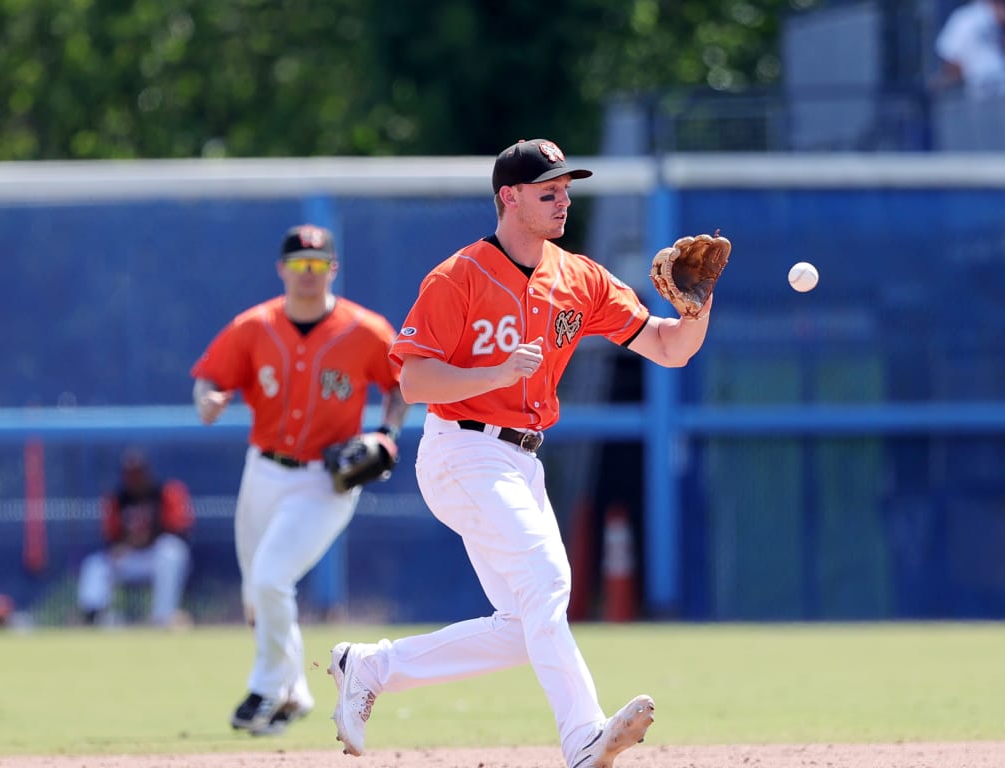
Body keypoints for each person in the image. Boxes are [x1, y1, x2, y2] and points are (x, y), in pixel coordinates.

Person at [326, 138, 717, 768]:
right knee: (549, 582)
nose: (563, 200)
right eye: (548, 190)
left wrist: (695, 309)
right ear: (509, 197)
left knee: (525, 625)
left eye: (566, 188)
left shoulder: (579, 276)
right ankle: (582, 736)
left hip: (520, 464)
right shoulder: (459, 277)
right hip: (462, 451)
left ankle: (369, 667)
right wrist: (496, 373)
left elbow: (672, 348)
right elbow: (414, 381)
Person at [190, 223, 407, 737]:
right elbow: (208, 378)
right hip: (263, 470)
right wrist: (208, 401)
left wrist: (385, 434)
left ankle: (266, 689)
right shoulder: (254, 326)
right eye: (298, 265)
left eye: (317, 265)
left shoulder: (365, 329)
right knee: (256, 595)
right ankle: (297, 689)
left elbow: (402, 383)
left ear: (332, 269)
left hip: (325, 480)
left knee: (270, 578)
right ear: (282, 270)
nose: (307, 275)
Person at [76, 449, 194, 628]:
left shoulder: (164, 493)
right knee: (96, 564)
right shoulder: (118, 499)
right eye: (131, 473)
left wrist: (149, 538)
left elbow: (180, 531)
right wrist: (119, 546)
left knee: (172, 551)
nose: (135, 477)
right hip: (130, 558)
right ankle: (92, 616)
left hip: (155, 556)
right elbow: (110, 537)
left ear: (147, 472)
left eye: (138, 472)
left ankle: (162, 617)